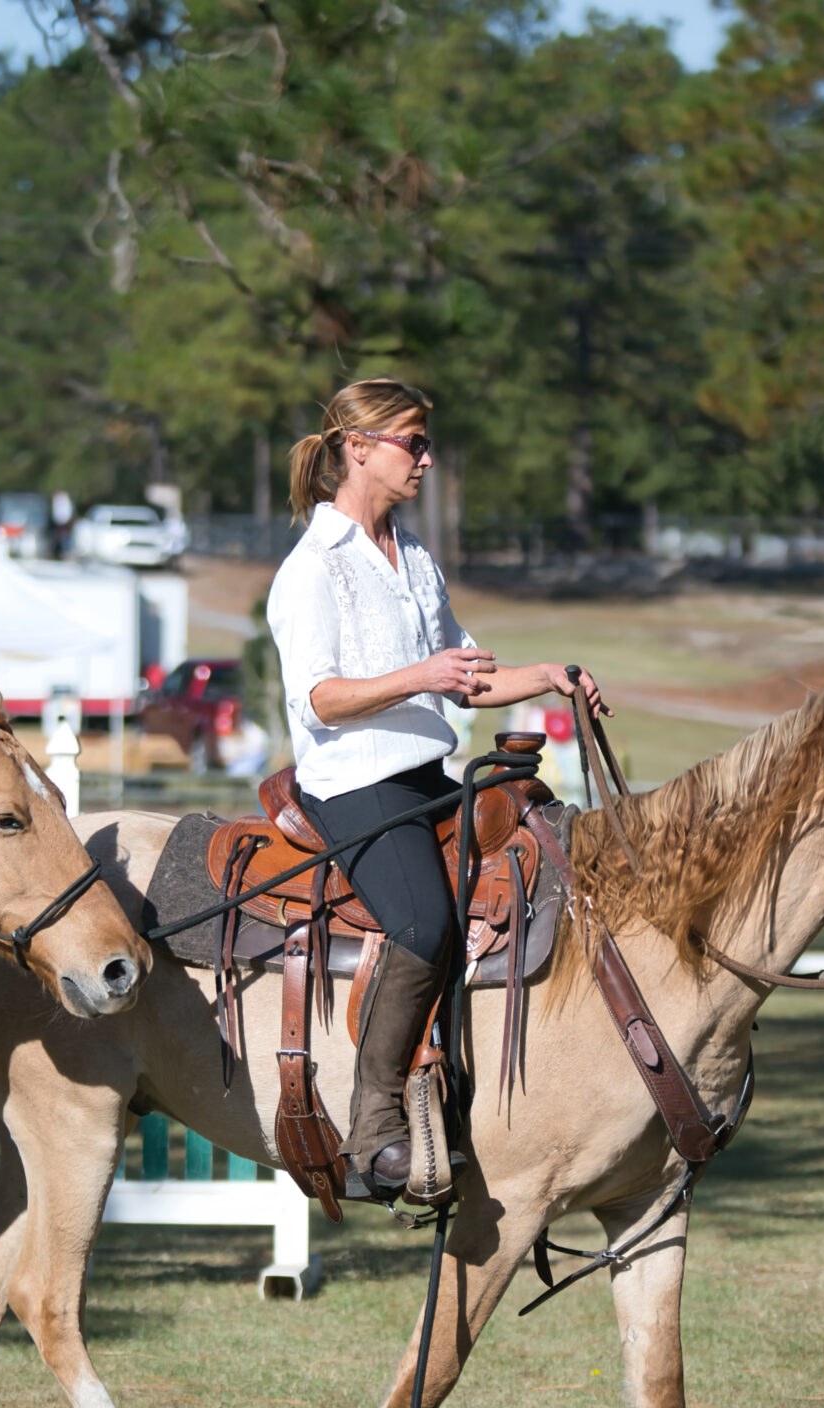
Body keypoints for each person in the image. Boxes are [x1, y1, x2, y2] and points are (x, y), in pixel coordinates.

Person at [266, 377, 610, 1201]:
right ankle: (374, 1129)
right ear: (358, 449)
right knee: (423, 923)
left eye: (427, 444)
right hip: (354, 781)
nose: (426, 459)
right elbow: (318, 699)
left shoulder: (415, 559)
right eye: (412, 443)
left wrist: (549, 675)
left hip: (428, 776)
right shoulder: (312, 568)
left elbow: (468, 677)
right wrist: (419, 675)